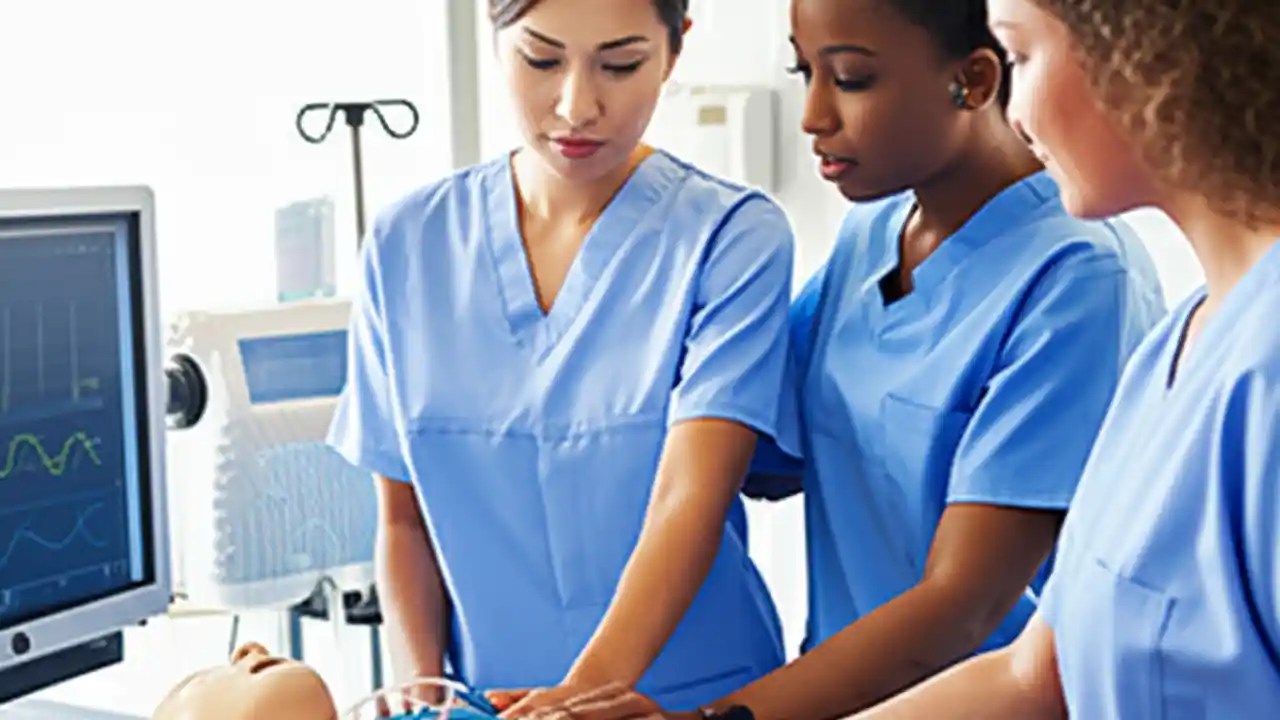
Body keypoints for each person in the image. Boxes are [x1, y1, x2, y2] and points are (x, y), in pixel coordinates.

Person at [521, 0, 1166, 718]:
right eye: (805, 72)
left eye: (853, 79)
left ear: (975, 81)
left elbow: (962, 606)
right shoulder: (872, 236)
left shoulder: (1078, 280)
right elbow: (757, 458)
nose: (812, 116)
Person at [327, 0, 796, 714]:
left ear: (675, 49)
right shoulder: (407, 244)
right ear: (494, 39)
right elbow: (403, 519)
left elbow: (691, 498)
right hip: (487, 704)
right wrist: (424, 697)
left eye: (621, 65)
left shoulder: (731, 239)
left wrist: (575, 704)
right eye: (541, 60)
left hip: (689, 702)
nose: (578, 106)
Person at [848, 0, 1280, 716]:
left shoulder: (1263, 371)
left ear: (1149, 53)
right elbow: (1039, 674)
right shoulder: (1175, 349)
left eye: (1020, 57)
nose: (1014, 116)